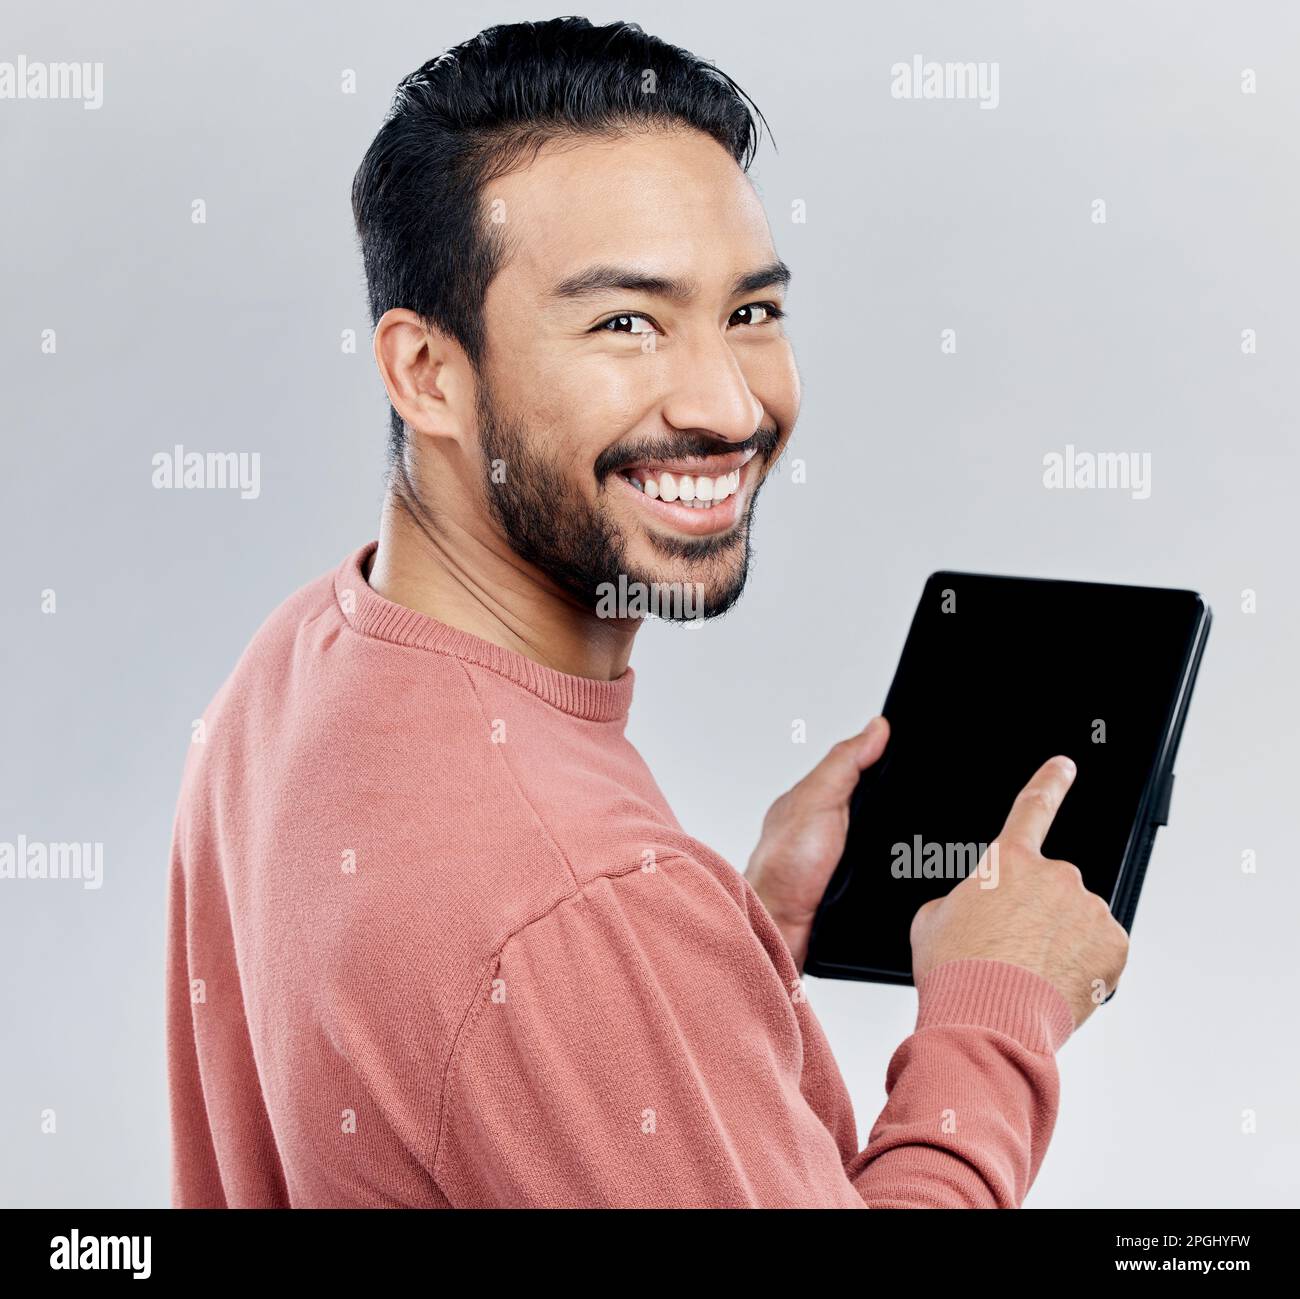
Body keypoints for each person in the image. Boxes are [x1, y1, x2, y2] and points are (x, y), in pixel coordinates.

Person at [166, 16, 1128, 1208]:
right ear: (426, 372)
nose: (726, 406)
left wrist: (736, 939)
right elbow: (540, 940)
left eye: (749, 314)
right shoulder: (576, 905)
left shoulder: (296, 662)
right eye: (624, 323)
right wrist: (994, 1020)